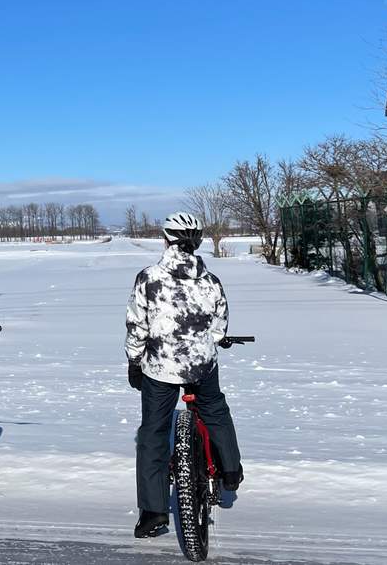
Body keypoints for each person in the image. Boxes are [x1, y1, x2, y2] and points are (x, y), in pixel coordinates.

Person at [126, 212, 243, 539]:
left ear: (166, 239)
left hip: (160, 368)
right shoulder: (211, 282)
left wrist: (134, 361)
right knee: (214, 410)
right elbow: (220, 328)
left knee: (153, 433)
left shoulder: (148, 278)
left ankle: (153, 513)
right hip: (201, 365)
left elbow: (137, 326)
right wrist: (209, 341)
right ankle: (230, 469)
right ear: (197, 242)